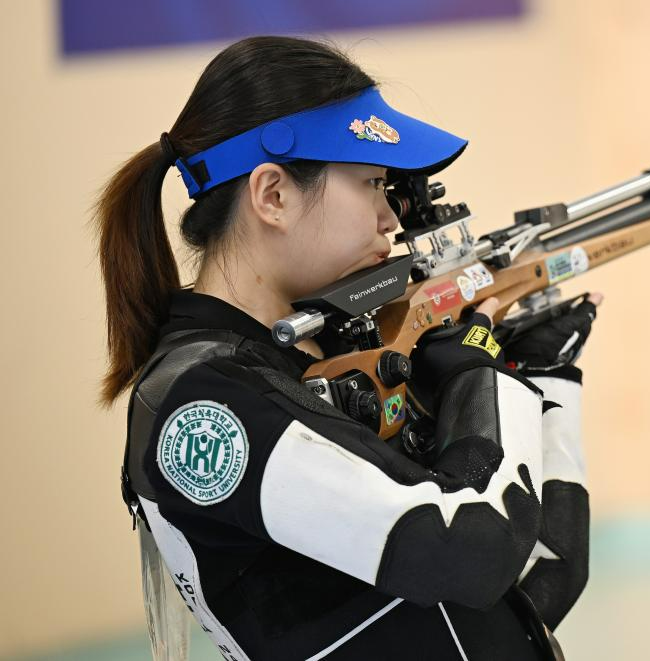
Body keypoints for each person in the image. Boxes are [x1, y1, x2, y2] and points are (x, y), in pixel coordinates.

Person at [96, 36, 602, 661]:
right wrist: (480, 369)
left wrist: (544, 378)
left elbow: (538, 579)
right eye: (371, 183)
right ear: (272, 195)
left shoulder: (330, 352)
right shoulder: (206, 402)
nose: (393, 218)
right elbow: (472, 552)